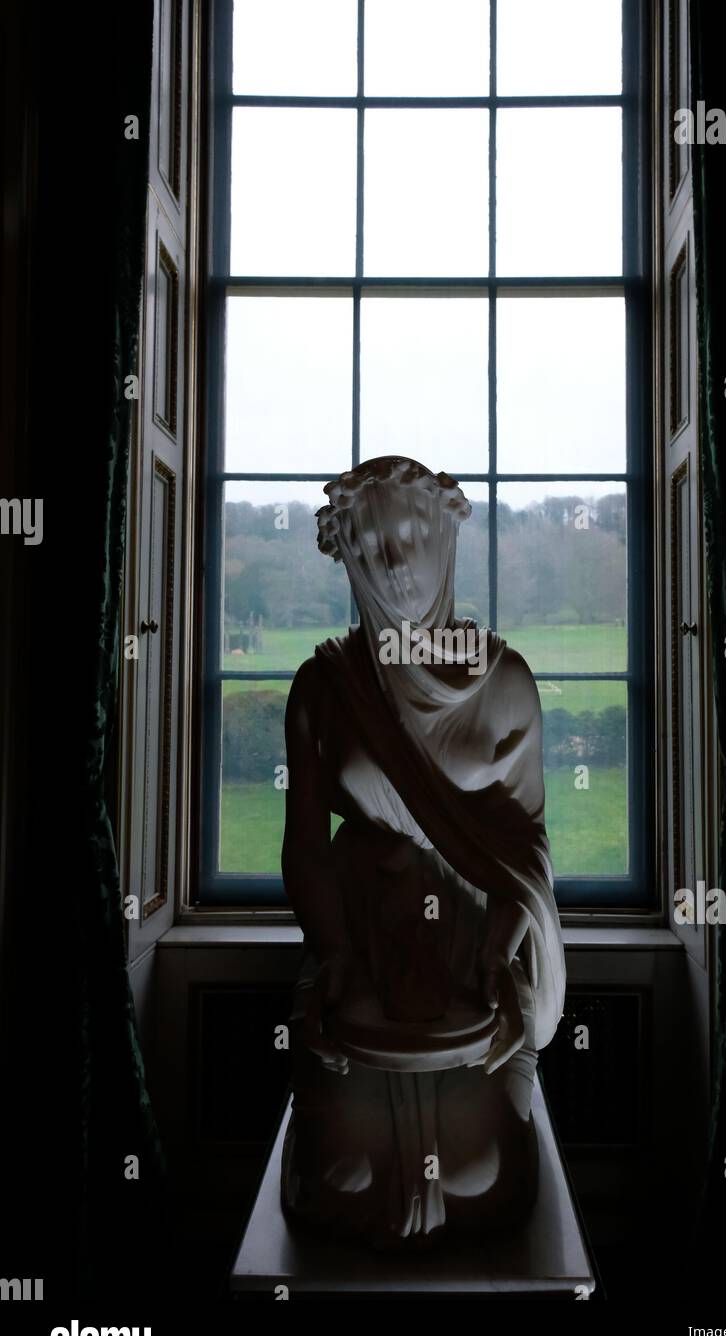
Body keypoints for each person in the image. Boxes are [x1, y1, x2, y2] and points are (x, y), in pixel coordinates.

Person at [280, 455, 565, 1246]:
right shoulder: (325, 686)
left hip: (477, 939)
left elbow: (524, 852)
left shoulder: (503, 681)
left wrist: (499, 959)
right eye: (374, 544)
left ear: (445, 540)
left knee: (485, 1176)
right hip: (362, 939)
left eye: (412, 535)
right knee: (344, 1178)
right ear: (349, 556)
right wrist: (332, 954)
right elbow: (305, 846)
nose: (397, 560)